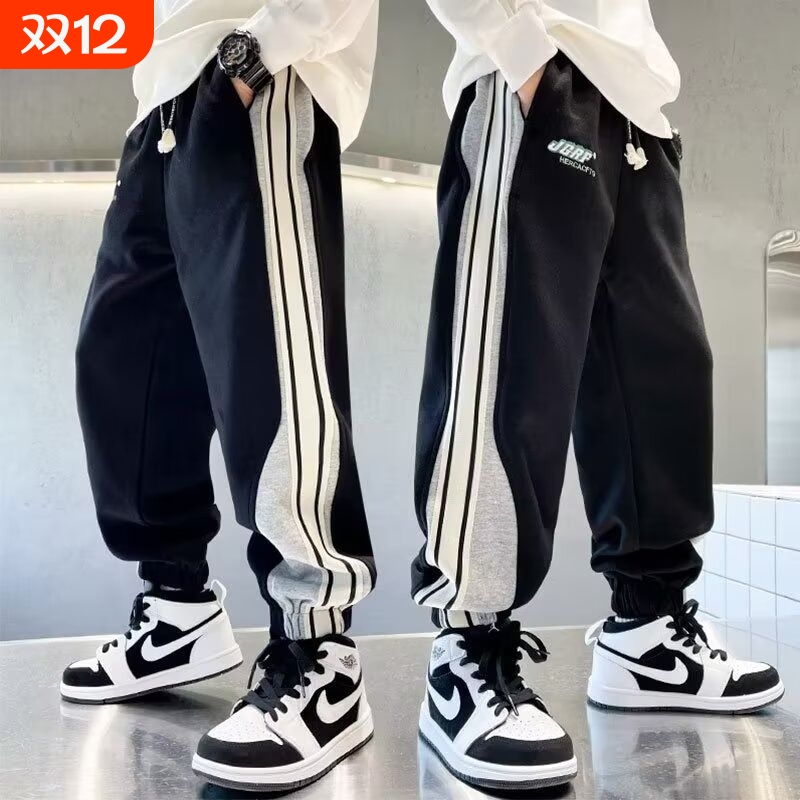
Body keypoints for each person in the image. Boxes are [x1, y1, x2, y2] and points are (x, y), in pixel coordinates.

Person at [412, 0, 784, 790]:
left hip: (637, 111)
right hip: (536, 76)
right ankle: (467, 645)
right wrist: (517, 48)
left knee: (660, 373)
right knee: (511, 363)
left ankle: (646, 631)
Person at [61, 0, 379, 792]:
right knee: (125, 362)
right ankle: (178, 607)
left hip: (262, 74)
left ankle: (318, 651)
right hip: (164, 101)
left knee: (274, 374)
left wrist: (255, 51)